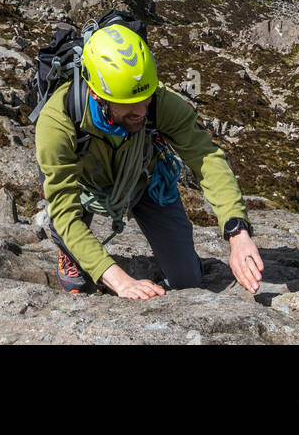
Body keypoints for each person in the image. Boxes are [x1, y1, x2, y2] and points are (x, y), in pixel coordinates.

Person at [35, 23, 264, 298]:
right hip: (83, 185)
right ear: (97, 95)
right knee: (78, 285)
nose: (142, 111)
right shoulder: (58, 123)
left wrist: (236, 230)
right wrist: (119, 279)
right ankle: (69, 252)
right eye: (130, 104)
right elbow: (64, 212)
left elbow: (205, 155)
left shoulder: (155, 100)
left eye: (146, 99)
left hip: (142, 179)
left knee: (187, 281)